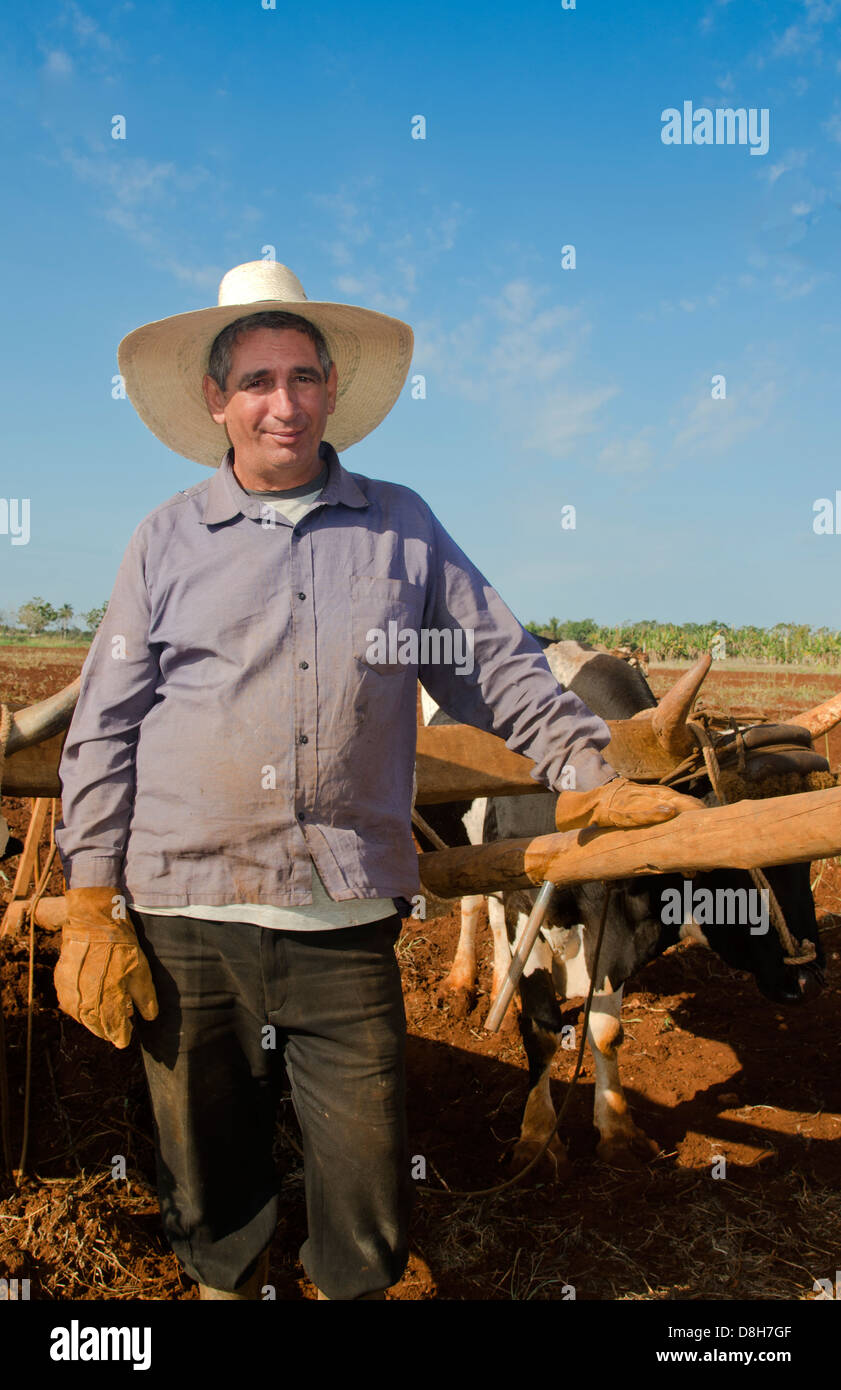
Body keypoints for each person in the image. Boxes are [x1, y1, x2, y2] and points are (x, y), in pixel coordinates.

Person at [53, 260, 696, 1301]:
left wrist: (588, 768)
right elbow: (105, 725)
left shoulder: (402, 528)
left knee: (367, 1188)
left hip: (342, 922)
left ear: (331, 392)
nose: (283, 402)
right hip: (186, 919)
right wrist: (91, 901)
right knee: (206, 1178)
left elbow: (501, 671)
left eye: (303, 376)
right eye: (257, 380)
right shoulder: (165, 540)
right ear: (217, 400)